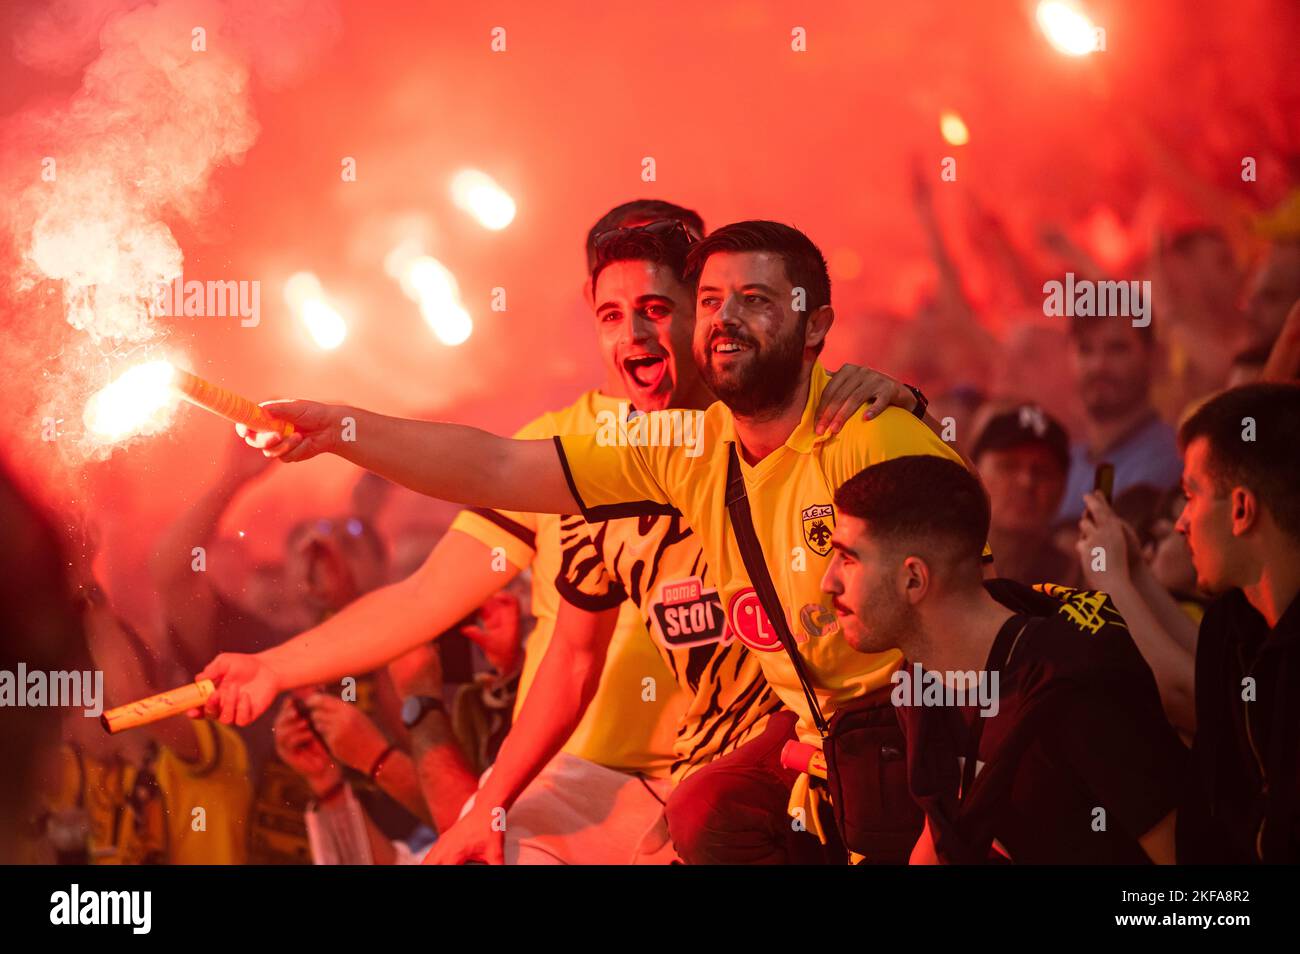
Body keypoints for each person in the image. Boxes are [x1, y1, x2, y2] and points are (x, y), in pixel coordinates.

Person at [216, 219, 961, 860]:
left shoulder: (864, 431)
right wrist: (341, 428)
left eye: (659, 307)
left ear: (812, 326)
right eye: (711, 302)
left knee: (716, 813)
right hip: (616, 785)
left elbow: (965, 635)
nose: (639, 334)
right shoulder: (670, 449)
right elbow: (493, 474)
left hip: (864, 749)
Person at [821, 455, 1186, 864]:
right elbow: (939, 837)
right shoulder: (920, 678)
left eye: (848, 559)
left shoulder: (1076, 683)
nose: (827, 582)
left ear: (914, 579)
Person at [1174, 382, 1300, 863]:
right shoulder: (1228, 629)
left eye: (1192, 495)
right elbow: (1207, 818)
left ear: (1243, 510)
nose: (1181, 522)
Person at [1055, 314, 1183, 523]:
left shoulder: (1171, 459)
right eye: (1085, 350)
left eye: (1117, 349)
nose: (1098, 366)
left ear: (1154, 356)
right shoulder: (1062, 463)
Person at [969, 402, 1077, 587]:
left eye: (1043, 471)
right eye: (1008, 466)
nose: (1027, 482)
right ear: (973, 472)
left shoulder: (1080, 583)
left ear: (1063, 487)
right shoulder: (939, 566)